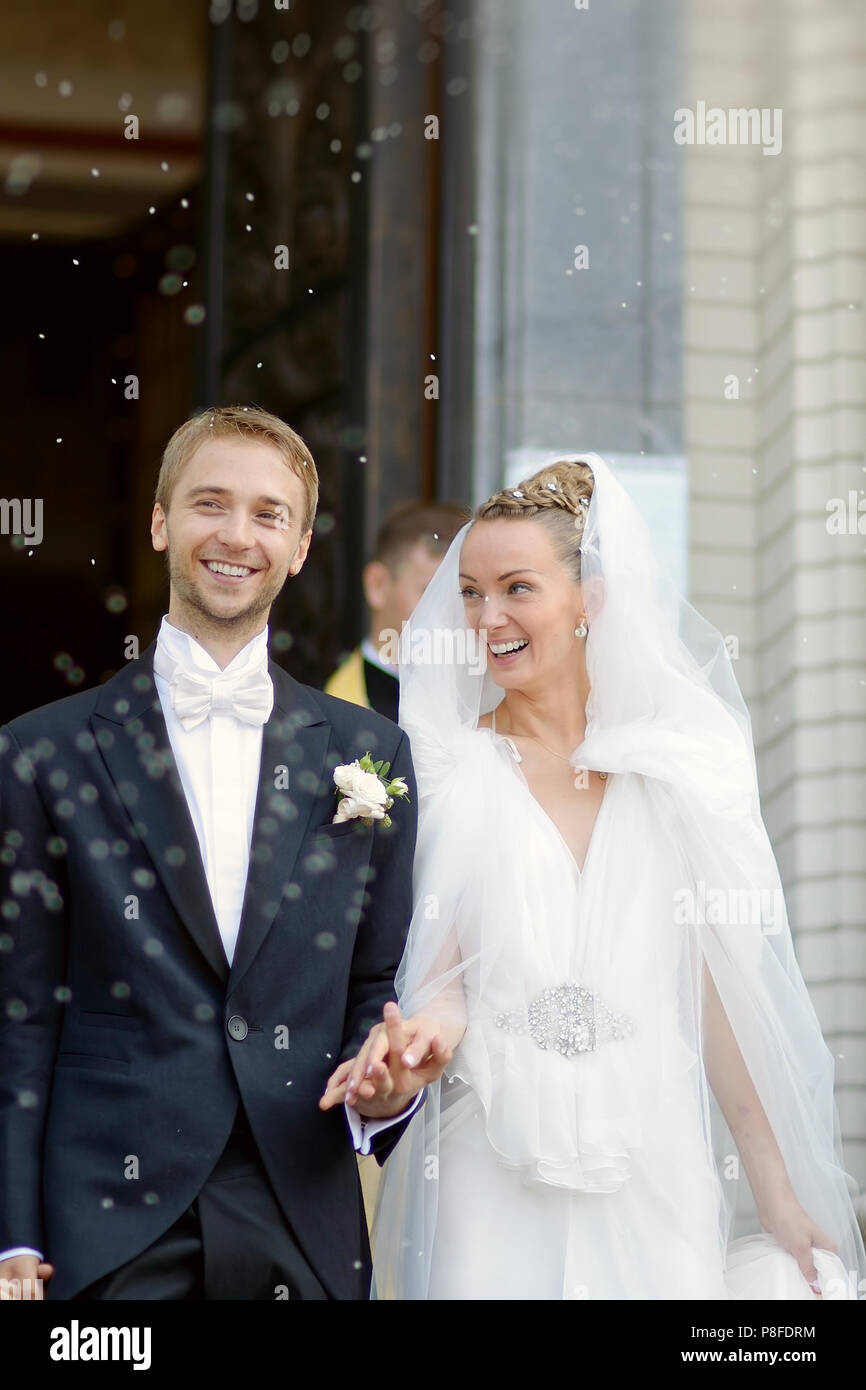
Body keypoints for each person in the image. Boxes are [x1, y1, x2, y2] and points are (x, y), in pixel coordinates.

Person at [335, 453, 866, 1300]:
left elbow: (719, 995)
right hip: (487, 1169)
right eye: (470, 592)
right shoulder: (444, 767)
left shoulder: (671, 769)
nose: (486, 617)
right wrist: (416, 1045)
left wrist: (776, 1191)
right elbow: (442, 981)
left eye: (517, 588)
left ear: (593, 600)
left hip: (654, 1170)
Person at [0, 405, 447, 1301]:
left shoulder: (372, 754)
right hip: (101, 1232)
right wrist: (12, 1239)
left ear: (300, 547)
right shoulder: (40, 750)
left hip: (302, 1217)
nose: (236, 535)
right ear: (162, 522)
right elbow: (18, 1014)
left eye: (269, 514)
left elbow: (376, 986)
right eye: (210, 504)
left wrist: (382, 1092)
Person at [325, 501, 468, 723]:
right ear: (378, 585)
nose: (451, 613)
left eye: (466, 594)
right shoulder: (338, 711)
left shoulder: (484, 697)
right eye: (431, 593)